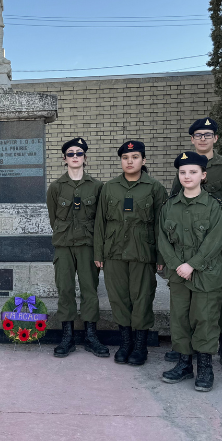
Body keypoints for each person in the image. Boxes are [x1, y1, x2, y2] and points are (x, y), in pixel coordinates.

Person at [165, 117, 222, 375]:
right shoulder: (174, 202)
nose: (203, 138)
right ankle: (186, 360)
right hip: (183, 255)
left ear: (215, 138)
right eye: (198, 134)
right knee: (183, 314)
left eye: (208, 134)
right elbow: (169, 222)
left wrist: (196, 261)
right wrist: (178, 264)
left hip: (219, 248)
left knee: (219, 305)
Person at [158, 151, 222, 391]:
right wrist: (177, 264)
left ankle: (205, 368)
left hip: (206, 274)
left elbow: (215, 240)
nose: (187, 176)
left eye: (193, 172)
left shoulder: (213, 206)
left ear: (203, 175)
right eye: (183, 172)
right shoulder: (170, 206)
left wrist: (192, 264)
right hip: (178, 275)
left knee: (205, 320)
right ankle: (184, 364)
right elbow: (163, 240)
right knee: (179, 320)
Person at [94, 140, 168, 366]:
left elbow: (161, 225)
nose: (130, 161)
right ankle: (125, 344)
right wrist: (99, 253)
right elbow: (100, 223)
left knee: (142, 298)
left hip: (142, 252)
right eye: (126, 158)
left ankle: (140, 346)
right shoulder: (110, 187)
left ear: (143, 161)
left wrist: (161, 257)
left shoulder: (155, 188)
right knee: (119, 299)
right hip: (114, 252)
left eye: (135, 157)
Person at [46, 137, 108, 358]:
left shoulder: (97, 186)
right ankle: (67, 337)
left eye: (79, 153)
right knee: (65, 289)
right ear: (64, 159)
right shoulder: (56, 187)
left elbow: (101, 221)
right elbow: (54, 218)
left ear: (85, 158)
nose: (75, 157)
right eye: (70, 153)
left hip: (88, 245)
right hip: (63, 245)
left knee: (90, 289)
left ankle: (91, 336)